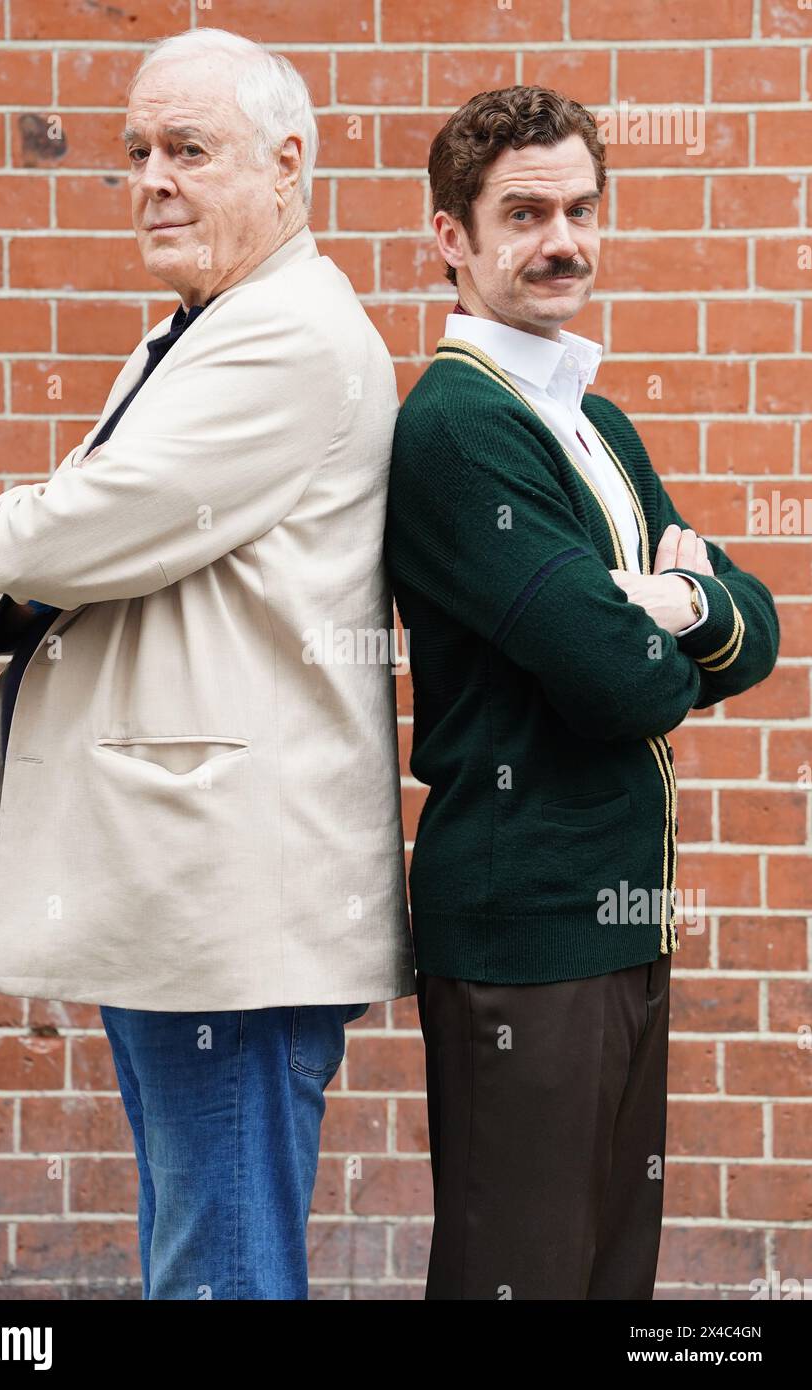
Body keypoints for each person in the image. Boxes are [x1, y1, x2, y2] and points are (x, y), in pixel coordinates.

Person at [0, 27, 415, 1300]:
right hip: (187, 893)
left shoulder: (285, 336)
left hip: (227, 906)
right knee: (199, 1248)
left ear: (287, 164)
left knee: (220, 1261)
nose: (151, 178)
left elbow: (83, 527)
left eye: (189, 150)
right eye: (138, 149)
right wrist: (45, 528)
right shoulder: (205, 328)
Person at [384, 85, 780, 1300]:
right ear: (451, 237)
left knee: (612, 1279)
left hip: (619, 920)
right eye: (523, 214)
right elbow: (619, 684)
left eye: (580, 209)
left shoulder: (592, 419)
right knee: (522, 1276)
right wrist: (660, 617)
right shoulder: (458, 430)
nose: (562, 241)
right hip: (523, 928)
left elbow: (753, 631)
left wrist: (676, 602)